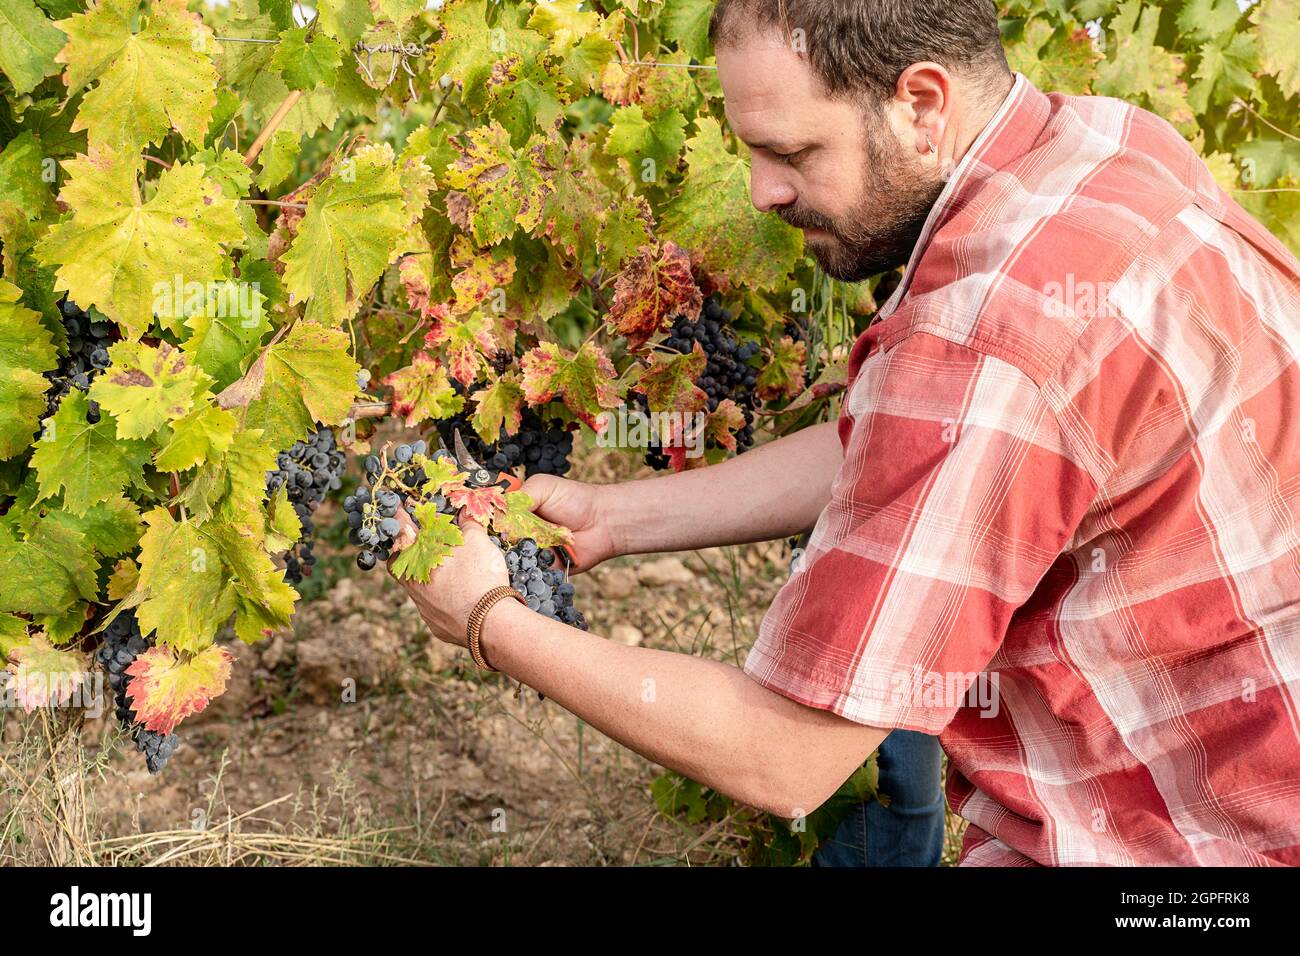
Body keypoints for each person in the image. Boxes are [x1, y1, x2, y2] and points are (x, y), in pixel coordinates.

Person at [388, 0, 1300, 866]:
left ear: (921, 104)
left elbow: (784, 758)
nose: (759, 193)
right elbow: (912, 444)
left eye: (791, 151)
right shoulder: (1096, 144)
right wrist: (614, 517)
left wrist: (489, 621)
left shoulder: (991, 339)